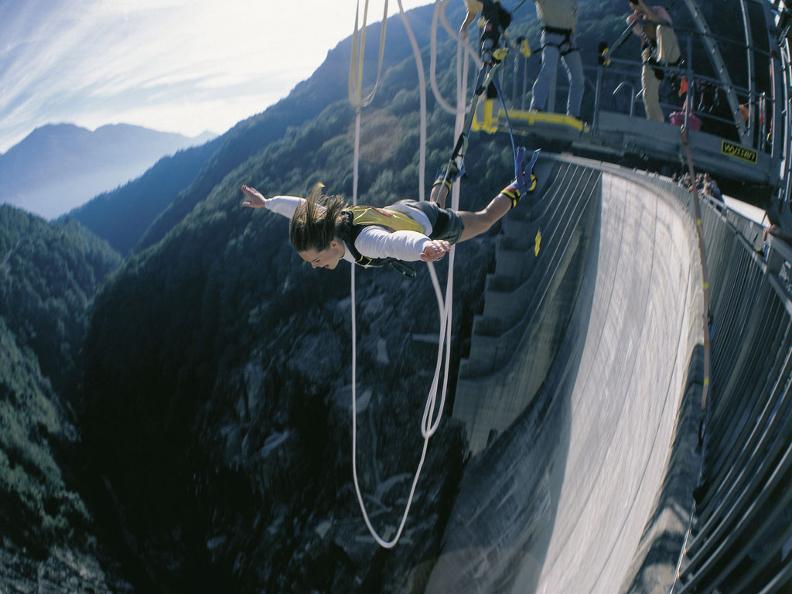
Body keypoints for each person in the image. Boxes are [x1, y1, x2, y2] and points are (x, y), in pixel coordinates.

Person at [239, 161, 532, 272]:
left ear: (331, 245)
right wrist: (268, 203)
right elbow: (300, 207)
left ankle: (520, 182)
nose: (316, 267)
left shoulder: (364, 242)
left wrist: (423, 248)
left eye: (315, 260)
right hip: (403, 210)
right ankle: (444, 175)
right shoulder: (329, 221)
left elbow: (392, 244)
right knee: (433, 205)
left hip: (426, 225)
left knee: (484, 219)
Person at [460, 0, 513, 132]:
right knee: (490, 73)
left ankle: (491, 52)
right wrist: (464, 26)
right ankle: (490, 113)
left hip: (495, 17)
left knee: (487, 59)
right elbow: (472, 12)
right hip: (495, 18)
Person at [627, 0, 681, 123]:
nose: (635, 7)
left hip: (669, 51)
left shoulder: (658, 10)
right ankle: (656, 122)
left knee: (662, 28)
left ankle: (660, 63)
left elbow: (665, 25)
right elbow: (640, 34)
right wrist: (634, 22)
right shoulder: (637, 17)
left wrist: (646, 11)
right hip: (652, 56)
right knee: (647, 93)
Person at [529, 0, 584, 119]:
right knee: (549, 69)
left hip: (569, 38)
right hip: (551, 35)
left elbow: (572, 15)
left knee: (578, 77)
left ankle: (574, 115)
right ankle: (536, 107)